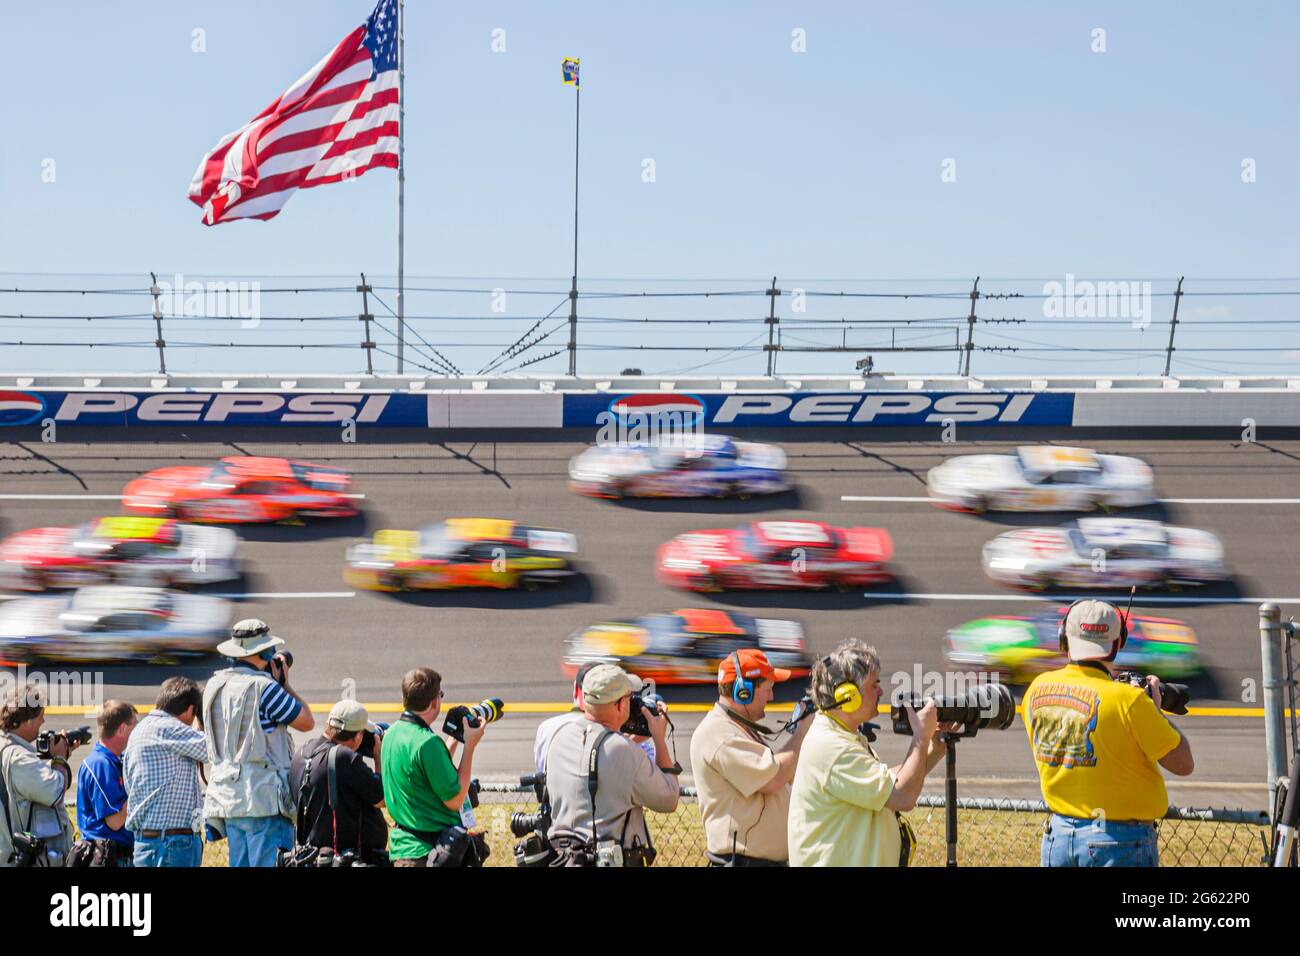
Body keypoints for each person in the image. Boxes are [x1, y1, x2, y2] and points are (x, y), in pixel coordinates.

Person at [1025, 599, 1194, 867]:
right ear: (1118, 643)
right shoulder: (1129, 701)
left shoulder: (1037, 690)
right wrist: (1155, 710)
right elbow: (1183, 764)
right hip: (1118, 842)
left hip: (1058, 836)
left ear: (1064, 639)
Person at [788, 640, 948, 867]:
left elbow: (882, 784)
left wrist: (934, 748)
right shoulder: (832, 747)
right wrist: (920, 737)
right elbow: (902, 796)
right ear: (848, 695)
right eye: (875, 685)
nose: (881, 691)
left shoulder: (839, 735)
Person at [202, 618, 315, 867]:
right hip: (264, 800)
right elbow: (306, 721)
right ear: (264, 651)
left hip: (229, 800)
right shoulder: (265, 688)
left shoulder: (213, 685)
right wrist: (285, 684)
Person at [545, 663, 679, 866]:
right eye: (629, 698)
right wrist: (659, 738)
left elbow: (596, 759)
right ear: (620, 705)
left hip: (562, 857)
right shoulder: (624, 751)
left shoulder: (559, 736)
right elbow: (669, 798)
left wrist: (626, 739)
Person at [691, 649, 810, 866]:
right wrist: (803, 731)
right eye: (768, 689)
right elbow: (773, 778)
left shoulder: (734, 727)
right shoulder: (719, 733)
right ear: (743, 692)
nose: (772, 697)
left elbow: (782, 772)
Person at [383, 667, 487, 867]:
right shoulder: (427, 743)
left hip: (403, 849)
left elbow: (427, 771)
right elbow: (455, 799)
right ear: (434, 702)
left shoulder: (392, 734)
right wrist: (470, 747)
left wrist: (456, 738)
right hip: (428, 853)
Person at [289, 699, 388, 865]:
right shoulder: (343, 757)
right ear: (358, 736)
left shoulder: (302, 752)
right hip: (344, 858)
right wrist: (379, 755)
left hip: (314, 857)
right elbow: (382, 798)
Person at [124, 676, 208, 867]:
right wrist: (203, 723)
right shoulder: (170, 729)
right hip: (171, 845)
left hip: (148, 842)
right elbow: (215, 750)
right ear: (190, 710)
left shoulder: (141, 730)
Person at [0, 683, 78, 867]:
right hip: (18, 858)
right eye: (41, 717)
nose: (43, 722)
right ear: (26, 721)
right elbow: (55, 791)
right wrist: (59, 758)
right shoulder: (19, 759)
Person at [534, 661, 655, 775]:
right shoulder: (614, 741)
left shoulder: (546, 728)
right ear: (619, 703)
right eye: (627, 697)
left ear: (576, 689)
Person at [73, 700, 139, 866]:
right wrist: (141, 788)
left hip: (117, 854)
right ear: (122, 729)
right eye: (135, 726)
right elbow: (115, 821)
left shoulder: (113, 761)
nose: (139, 732)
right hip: (109, 857)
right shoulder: (101, 765)